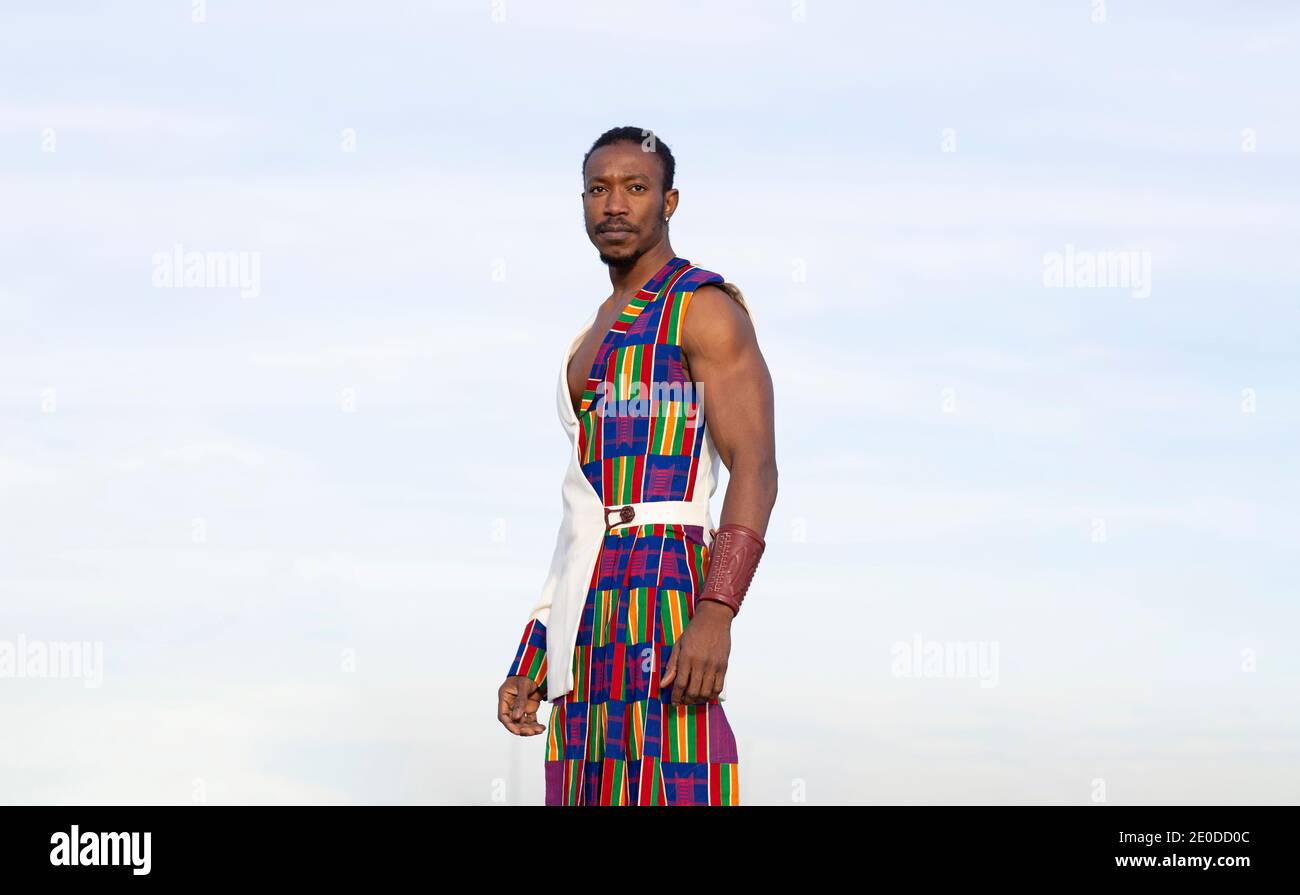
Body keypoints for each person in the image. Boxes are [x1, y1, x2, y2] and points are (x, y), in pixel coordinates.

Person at [496, 126, 777, 806]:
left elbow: (757, 467)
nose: (614, 204)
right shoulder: (587, 335)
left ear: (670, 201)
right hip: (587, 606)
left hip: (669, 585)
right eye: (599, 189)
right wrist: (535, 646)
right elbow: (580, 511)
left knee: (677, 776)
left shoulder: (701, 309)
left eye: (635, 187)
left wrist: (716, 611)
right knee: (586, 784)